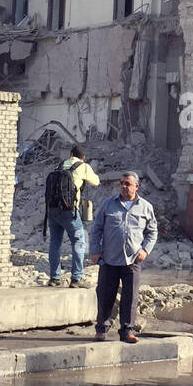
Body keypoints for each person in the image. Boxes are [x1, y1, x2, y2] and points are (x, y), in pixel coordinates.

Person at [88, 171, 158, 344]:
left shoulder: (146, 207)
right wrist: (95, 251)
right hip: (109, 259)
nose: (124, 186)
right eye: (121, 183)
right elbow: (96, 229)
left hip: (133, 260)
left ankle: (127, 331)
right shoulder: (108, 204)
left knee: (131, 296)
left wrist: (145, 250)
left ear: (136, 186)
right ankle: (101, 329)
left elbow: (152, 232)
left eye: (127, 184)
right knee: (105, 295)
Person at [45, 144, 99, 288]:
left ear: (70, 154)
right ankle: (76, 278)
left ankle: (54, 278)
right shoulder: (84, 166)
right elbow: (96, 182)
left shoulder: (60, 165)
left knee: (55, 243)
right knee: (79, 241)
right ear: (83, 157)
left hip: (52, 210)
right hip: (69, 210)